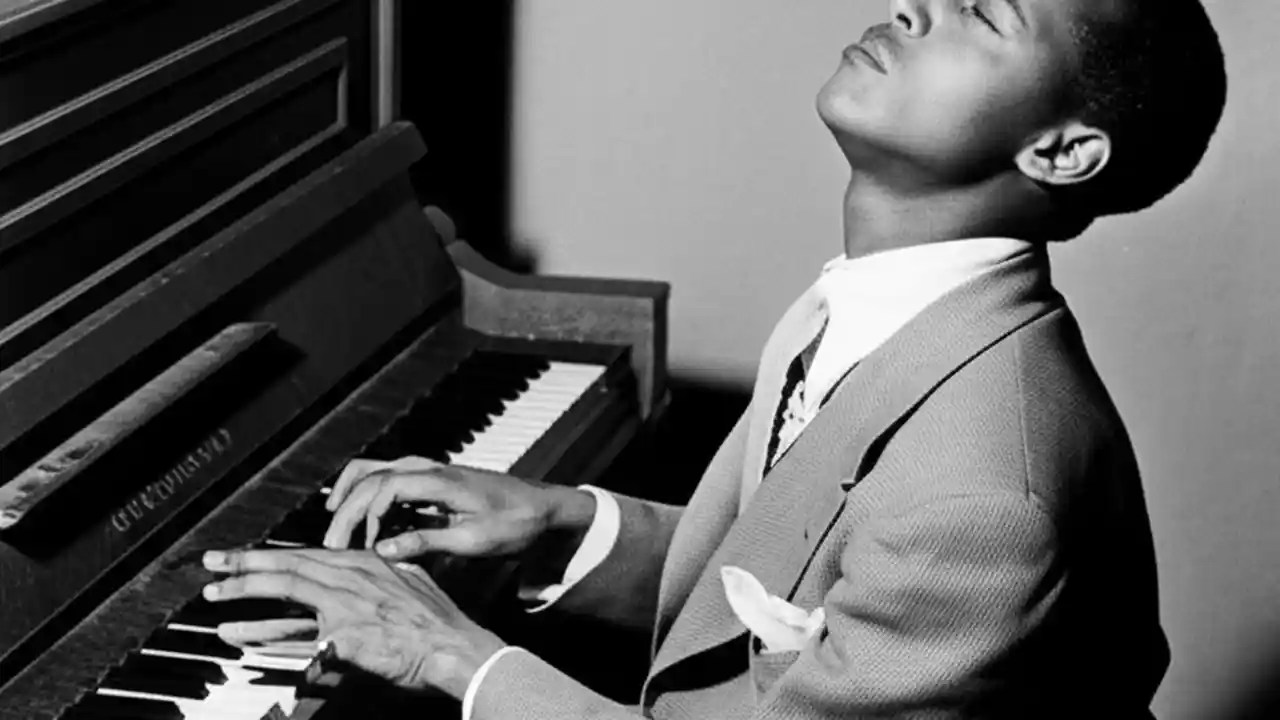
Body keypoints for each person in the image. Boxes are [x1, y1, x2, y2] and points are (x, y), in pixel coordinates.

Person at [199, 0, 1227, 716]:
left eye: (984, 14)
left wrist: (443, 649)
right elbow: (793, 587)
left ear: (1059, 151)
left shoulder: (982, 494)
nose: (913, 6)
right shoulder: (885, 306)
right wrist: (565, 523)